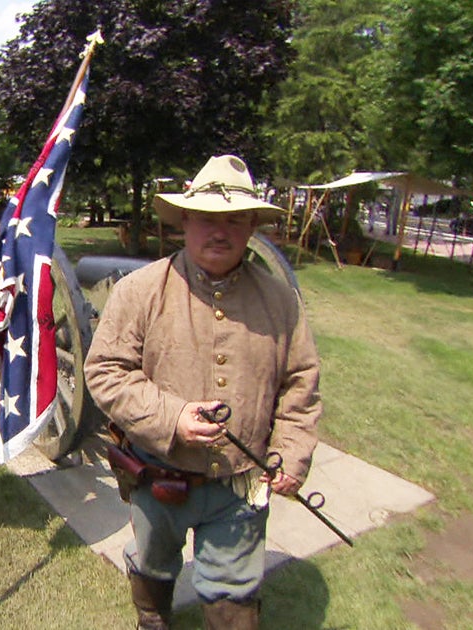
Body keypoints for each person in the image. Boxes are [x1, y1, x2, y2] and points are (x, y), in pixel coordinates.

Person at [84, 155, 323, 630]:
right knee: (152, 567)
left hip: (240, 483)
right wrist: (173, 418)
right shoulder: (139, 291)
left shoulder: (280, 301)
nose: (221, 231)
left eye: (234, 220)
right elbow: (105, 371)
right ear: (185, 221)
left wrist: (291, 455)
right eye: (208, 219)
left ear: (253, 224)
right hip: (158, 476)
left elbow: (301, 383)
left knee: (233, 597)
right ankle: (151, 619)